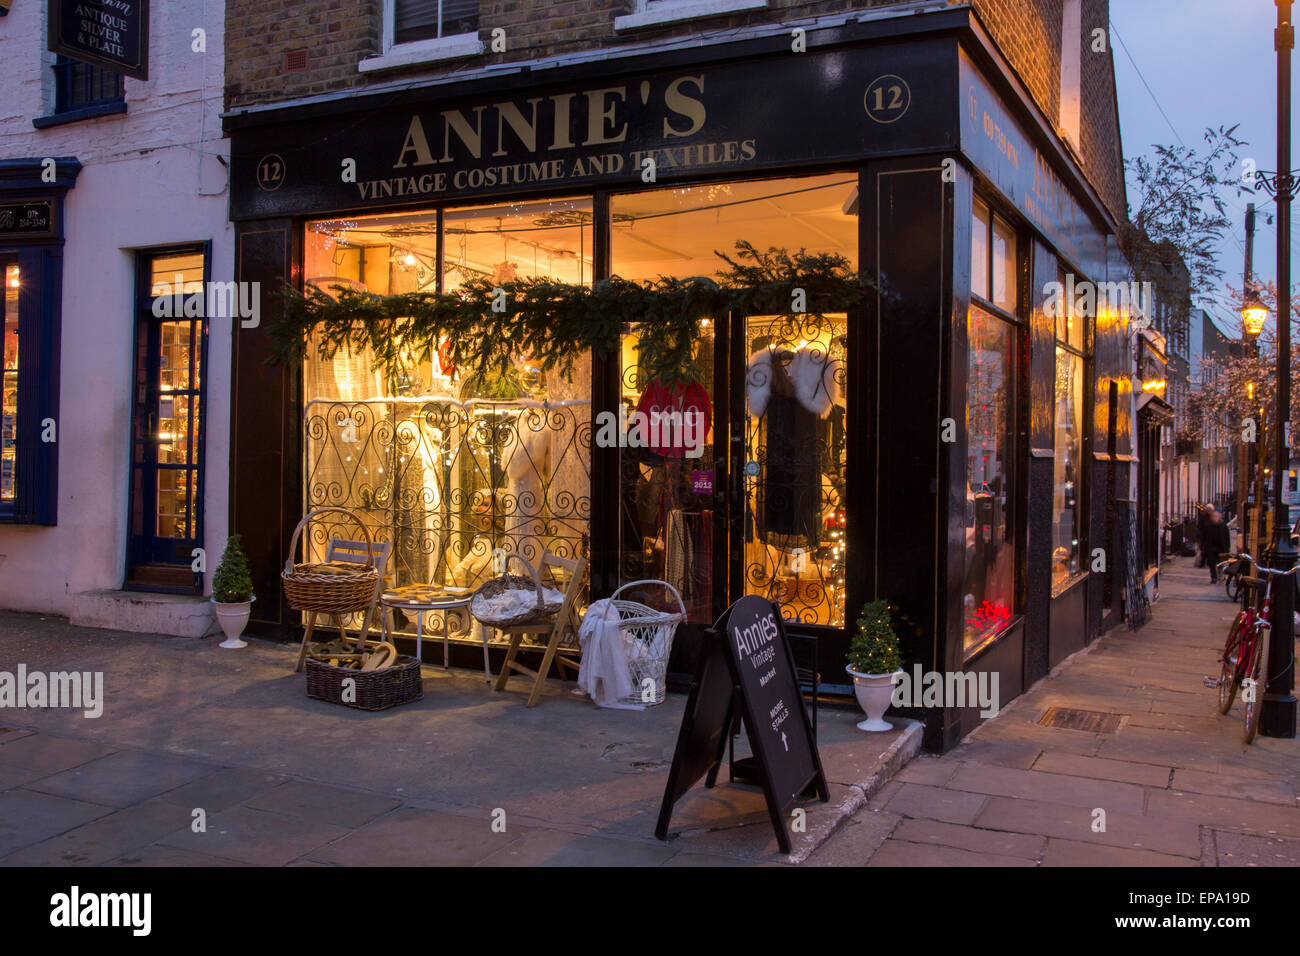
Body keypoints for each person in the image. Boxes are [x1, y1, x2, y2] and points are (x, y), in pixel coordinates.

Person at [1205, 508, 1230, 584]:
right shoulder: (1209, 525)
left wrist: (1227, 548)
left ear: (1219, 517)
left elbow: (1227, 538)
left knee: (1220, 563)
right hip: (1211, 548)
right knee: (1211, 563)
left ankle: (1220, 575)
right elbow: (1205, 537)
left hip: (1221, 548)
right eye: (1214, 517)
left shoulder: (1223, 526)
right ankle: (1214, 577)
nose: (1215, 518)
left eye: (1217, 517)